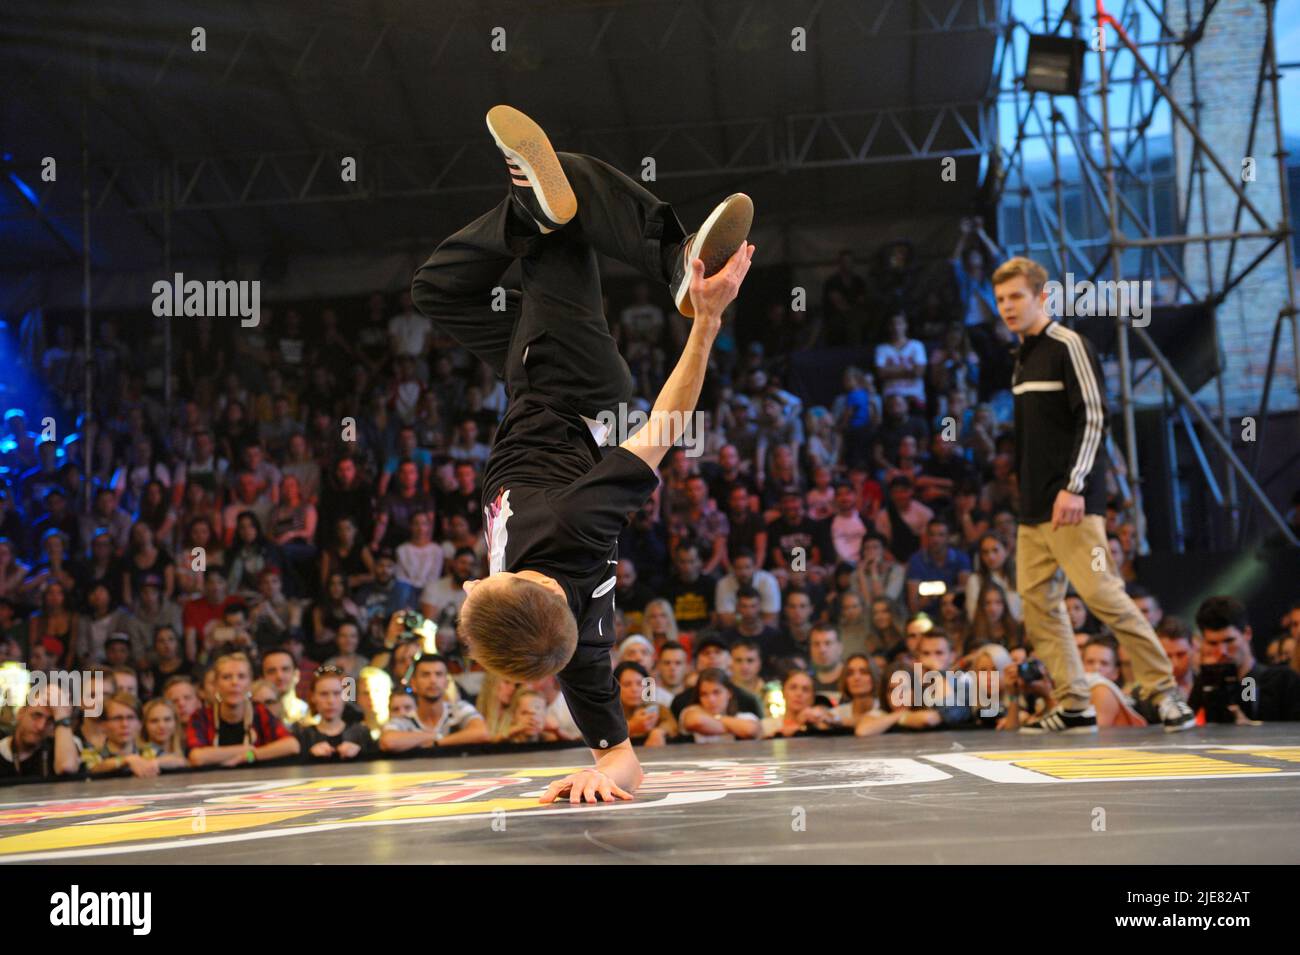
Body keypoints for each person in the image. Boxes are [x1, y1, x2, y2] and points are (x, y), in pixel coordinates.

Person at [411, 106, 755, 803]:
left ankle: (529, 210)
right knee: (561, 209)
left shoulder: (578, 655)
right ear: (518, 585)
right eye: (479, 590)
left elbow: (627, 762)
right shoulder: (571, 522)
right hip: (566, 382)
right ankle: (679, 263)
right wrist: (709, 322)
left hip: (528, 377)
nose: (469, 585)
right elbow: (665, 425)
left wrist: (600, 773)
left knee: (438, 289)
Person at [993, 256, 1194, 733]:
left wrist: (1074, 486)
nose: (1007, 307)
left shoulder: (1069, 344)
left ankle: (1164, 691)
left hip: (1071, 504)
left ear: (1043, 297)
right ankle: (1074, 701)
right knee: (1037, 604)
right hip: (1034, 512)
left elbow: (1095, 417)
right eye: (1000, 299)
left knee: (1103, 595)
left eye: (1016, 296)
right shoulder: (1020, 358)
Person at [1189, 596, 1300, 722]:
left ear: (1247, 633)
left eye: (1229, 641)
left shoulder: (1283, 681)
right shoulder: (1206, 683)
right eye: (1213, 643)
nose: (1222, 651)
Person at [185, 652, 301, 767]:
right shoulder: (202, 716)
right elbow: (197, 757)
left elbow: (292, 745)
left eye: (241, 676)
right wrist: (245, 749)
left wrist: (251, 755)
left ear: (250, 683)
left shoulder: (259, 712)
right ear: (216, 684)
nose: (234, 682)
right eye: (226, 677)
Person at [378, 654, 489, 751]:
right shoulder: (405, 719)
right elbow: (388, 741)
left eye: (439, 674)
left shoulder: (460, 709)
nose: (433, 680)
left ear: (446, 683)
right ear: (413, 683)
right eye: (426, 675)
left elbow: (482, 733)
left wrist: (438, 742)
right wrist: (435, 736)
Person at [297, 666, 375, 760]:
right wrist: (310, 756)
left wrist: (360, 754)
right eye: (324, 694)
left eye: (336, 693)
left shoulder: (361, 733)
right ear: (313, 697)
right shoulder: (304, 736)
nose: (331, 701)